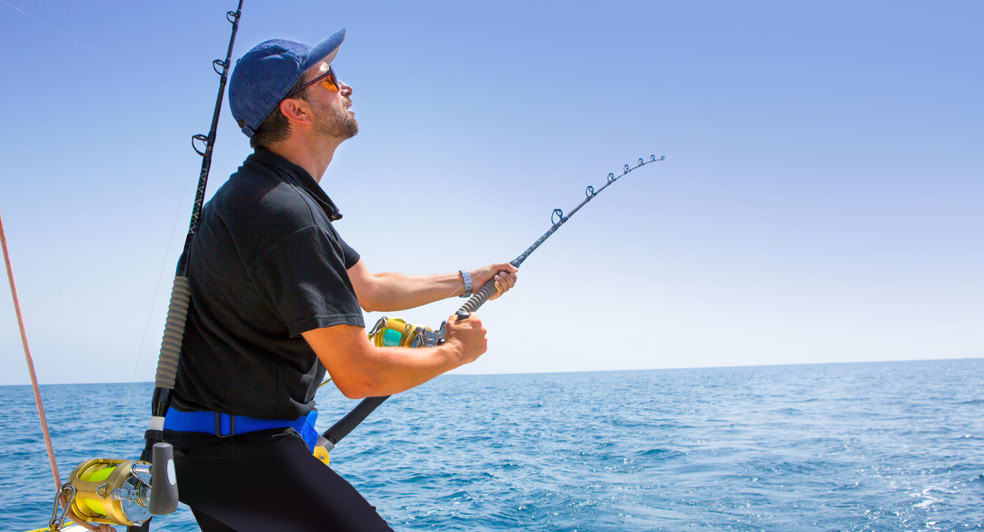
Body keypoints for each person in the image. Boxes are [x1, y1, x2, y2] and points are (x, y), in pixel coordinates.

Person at [161, 29, 518, 531]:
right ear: (296, 111)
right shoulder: (286, 216)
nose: (345, 87)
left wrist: (467, 279)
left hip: (208, 455)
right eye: (327, 79)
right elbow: (359, 375)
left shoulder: (265, 196)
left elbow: (368, 288)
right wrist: (457, 353)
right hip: (245, 456)